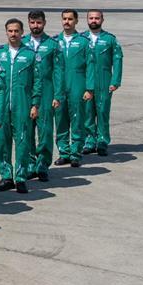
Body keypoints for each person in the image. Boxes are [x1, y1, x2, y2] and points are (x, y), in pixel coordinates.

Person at [0, 19, 36, 195]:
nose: (13, 34)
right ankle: (6, 176)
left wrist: (35, 103)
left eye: (16, 31)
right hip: (2, 105)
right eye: (10, 31)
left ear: (22, 32)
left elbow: (37, 81)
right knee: (2, 142)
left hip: (22, 104)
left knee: (22, 141)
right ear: (6, 32)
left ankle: (21, 177)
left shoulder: (30, 54)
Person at [23, 11, 62, 182]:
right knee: (27, 129)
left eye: (39, 22)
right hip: (26, 92)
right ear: (28, 23)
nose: (35, 26)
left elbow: (58, 71)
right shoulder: (22, 43)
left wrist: (58, 94)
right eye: (32, 22)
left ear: (44, 23)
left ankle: (43, 164)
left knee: (45, 129)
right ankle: (30, 164)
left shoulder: (53, 45)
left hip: (46, 91)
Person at [85, 10, 123, 155]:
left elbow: (118, 60)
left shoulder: (110, 39)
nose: (94, 20)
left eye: (97, 18)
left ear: (102, 20)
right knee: (87, 112)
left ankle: (102, 141)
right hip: (86, 81)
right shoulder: (82, 39)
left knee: (102, 111)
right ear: (87, 20)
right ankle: (89, 140)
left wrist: (115, 81)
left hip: (104, 79)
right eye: (91, 18)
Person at [55, 9, 91, 167]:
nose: (67, 22)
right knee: (60, 119)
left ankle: (76, 153)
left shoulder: (84, 41)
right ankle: (64, 152)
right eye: (64, 19)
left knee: (77, 119)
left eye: (70, 19)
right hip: (59, 85)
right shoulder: (54, 41)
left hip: (77, 83)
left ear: (76, 21)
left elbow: (91, 65)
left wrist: (89, 88)